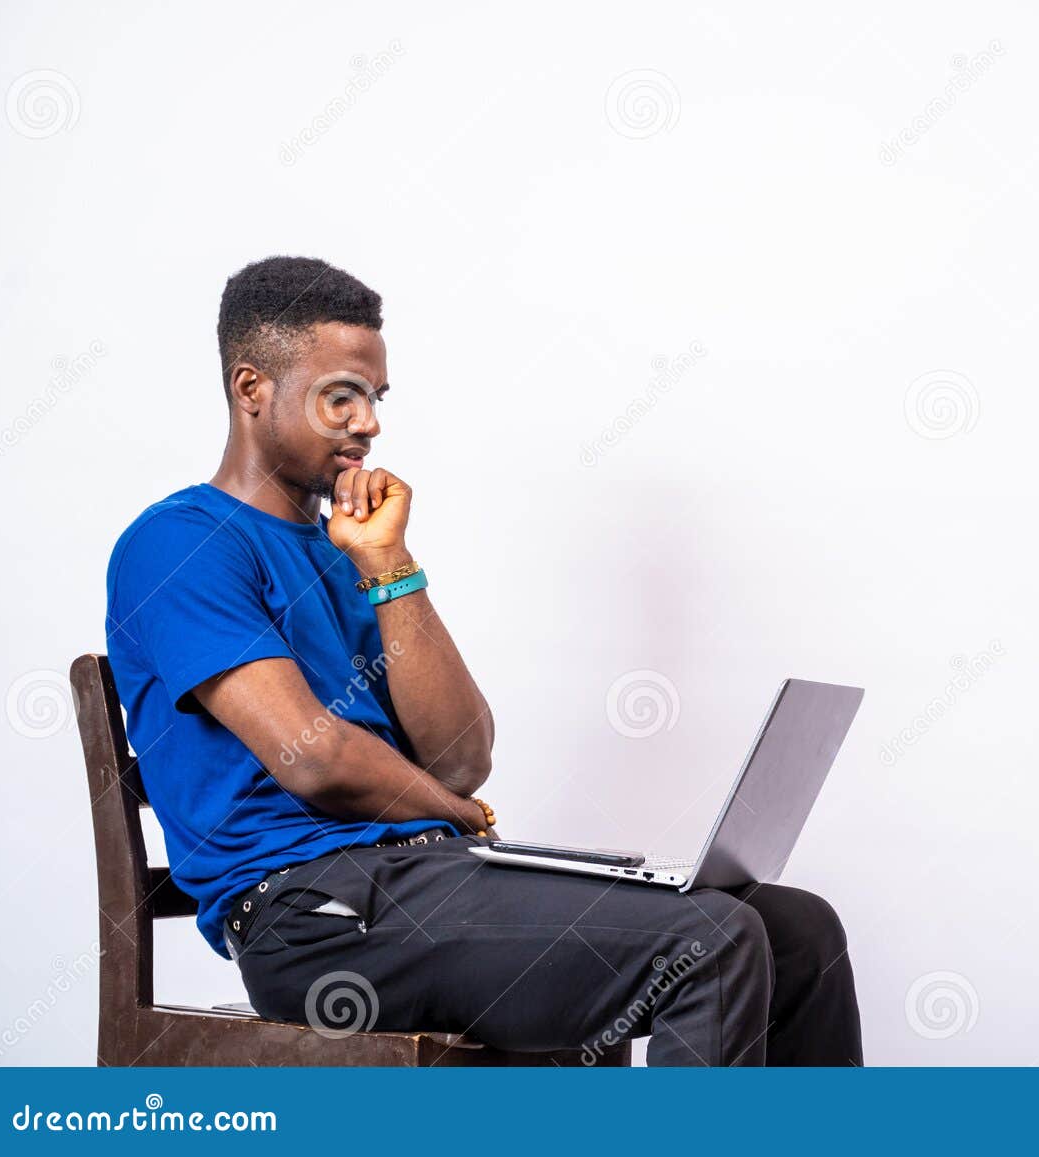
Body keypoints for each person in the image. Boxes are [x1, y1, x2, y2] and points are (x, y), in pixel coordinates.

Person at [103, 256, 862, 1065]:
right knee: (708, 940)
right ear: (253, 389)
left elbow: (464, 757)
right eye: (341, 397)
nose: (368, 423)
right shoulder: (180, 543)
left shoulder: (351, 554)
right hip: (313, 916)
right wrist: (448, 810)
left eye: (375, 399)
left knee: (800, 931)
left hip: (432, 884)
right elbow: (314, 755)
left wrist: (392, 569)